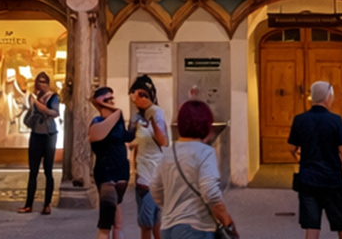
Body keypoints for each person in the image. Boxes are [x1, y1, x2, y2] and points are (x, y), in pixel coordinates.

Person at [155, 99, 236, 239]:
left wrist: (174, 204)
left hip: (168, 228)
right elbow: (210, 191)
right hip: (196, 228)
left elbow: (156, 189)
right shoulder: (204, 152)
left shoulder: (167, 153)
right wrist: (226, 219)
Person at [288, 81, 342, 239]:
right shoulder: (335, 120)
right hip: (332, 181)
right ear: (328, 97)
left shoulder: (300, 119)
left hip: (308, 180)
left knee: (312, 227)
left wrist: (300, 158)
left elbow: (291, 148)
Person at [88, 85, 136, 239]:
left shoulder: (117, 121)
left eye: (112, 99)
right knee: (105, 224)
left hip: (120, 173)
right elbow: (94, 137)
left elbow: (127, 137)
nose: (112, 102)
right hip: (106, 175)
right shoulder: (97, 122)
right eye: (108, 100)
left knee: (118, 224)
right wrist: (117, 112)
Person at [130, 80, 171, 239]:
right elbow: (136, 142)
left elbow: (163, 142)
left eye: (142, 94)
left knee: (148, 223)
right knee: (150, 223)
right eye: (135, 94)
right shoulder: (138, 116)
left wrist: (152, 118)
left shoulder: (156, 112)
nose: (137, 97)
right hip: (141, 175)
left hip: (153, 178)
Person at [19, 71, 61, 215]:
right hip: (36, 134)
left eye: (43, 82)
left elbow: (54, 112)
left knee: (48, 170)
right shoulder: (35, 97)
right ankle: (28, 204)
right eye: (38, 81)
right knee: (33, 171)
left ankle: (47, 204)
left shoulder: (53, 97)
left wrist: (36, 102)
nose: (40, 84)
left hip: (49, 135)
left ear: (48, 84)